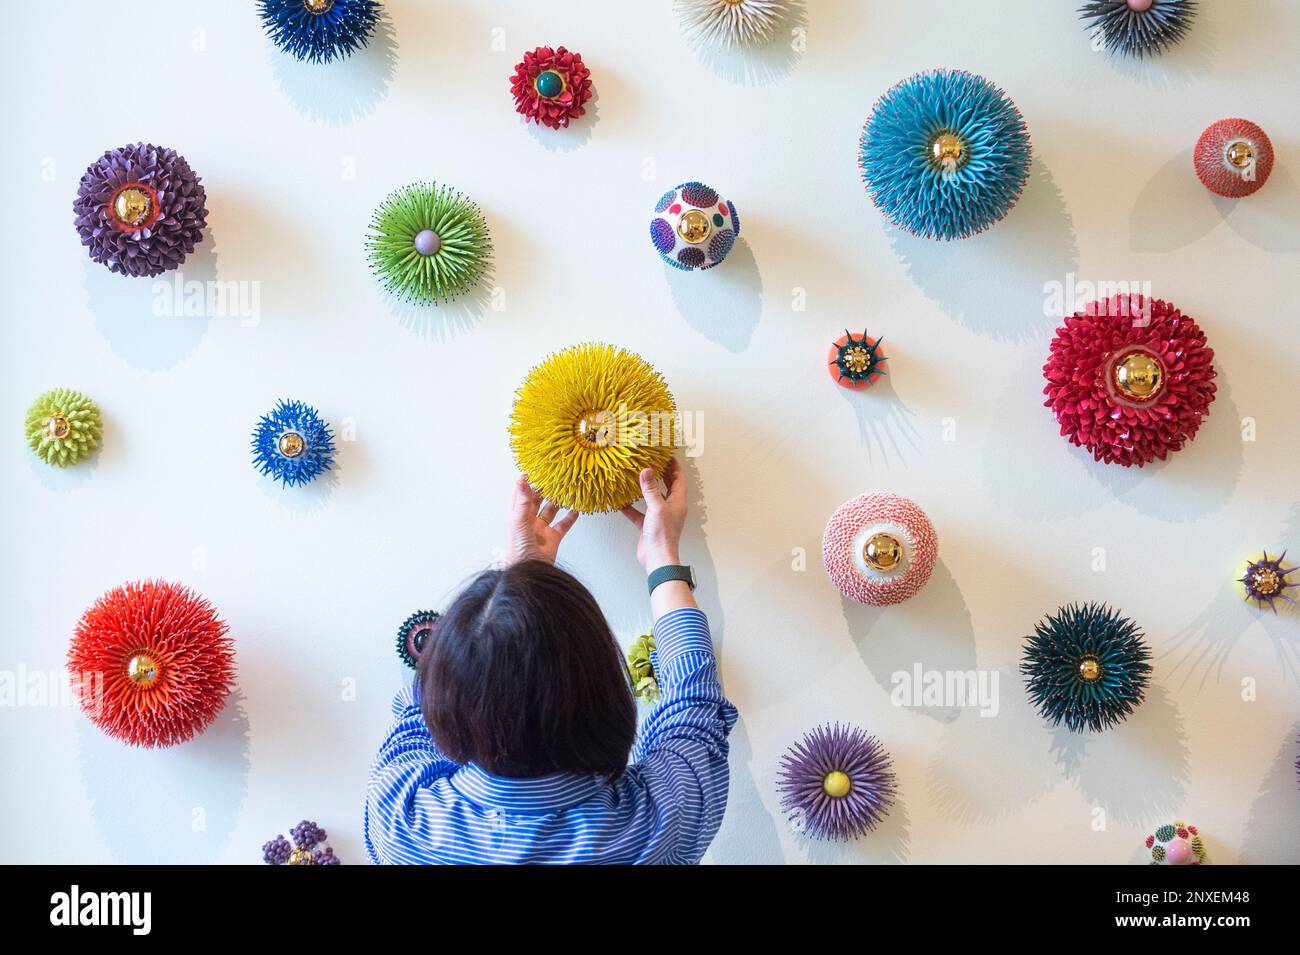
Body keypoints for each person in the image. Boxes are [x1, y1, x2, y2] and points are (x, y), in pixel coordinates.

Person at [364, 460, 737, 863]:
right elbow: (694, 707)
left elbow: (423, 707)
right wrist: (662, 557)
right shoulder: (653, 824)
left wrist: (522, 588)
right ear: (607, 693)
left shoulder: (401, 819)